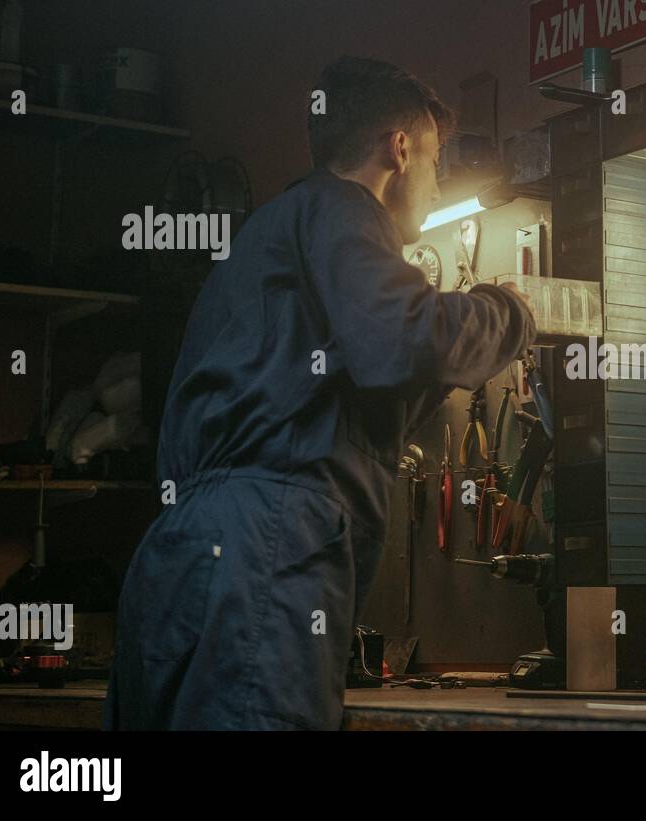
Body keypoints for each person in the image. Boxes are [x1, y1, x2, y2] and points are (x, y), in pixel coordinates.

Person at [104, 56, 535, 730]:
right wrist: (507, 310)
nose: (434, 180)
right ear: (401, 148)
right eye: (434, 160)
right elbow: (401, 340)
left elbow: (358, 390)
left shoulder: (267, 239)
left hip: (180, 557)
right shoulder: (342, 206)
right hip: (266, 554)